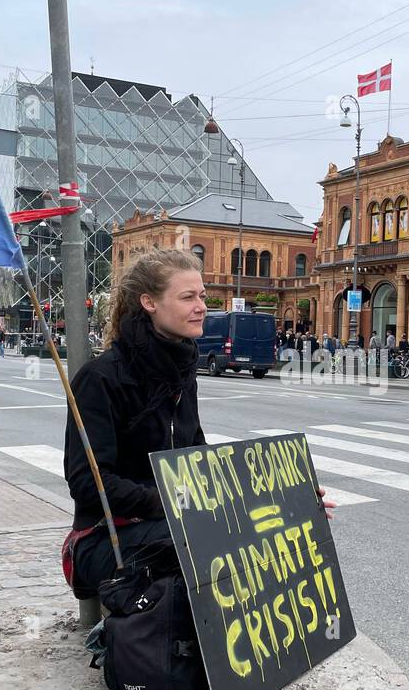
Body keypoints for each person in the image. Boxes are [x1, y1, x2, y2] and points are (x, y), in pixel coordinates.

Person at [64, 249, 333, 606]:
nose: (202, 306)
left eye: (202, 296)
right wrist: (173, 504)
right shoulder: (101, 378)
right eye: (188, 297)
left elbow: (202, 464)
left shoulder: (181, 373)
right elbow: (88, 483)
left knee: (278, 527)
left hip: (171, 525)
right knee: (220, 541)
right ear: (149, 302)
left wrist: (288, 498)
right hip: (104, 537)